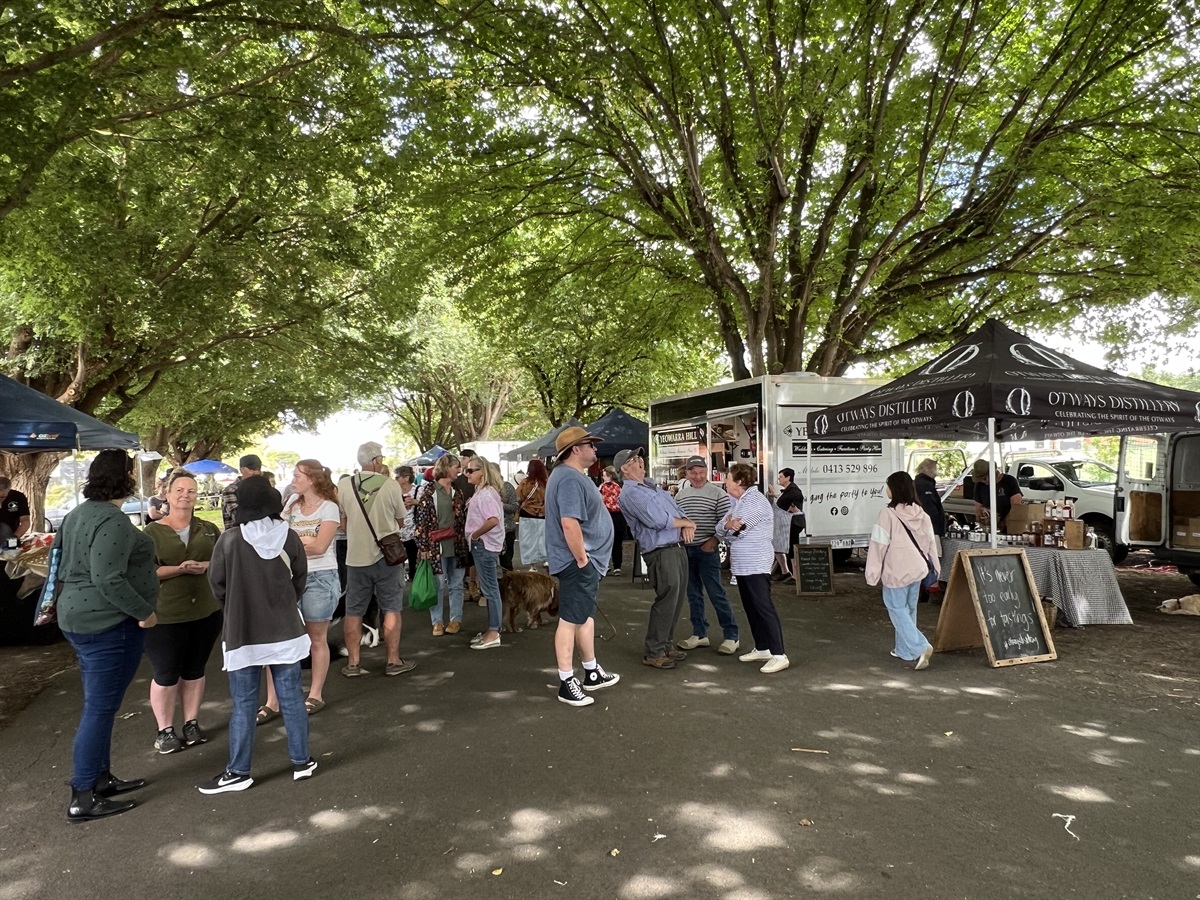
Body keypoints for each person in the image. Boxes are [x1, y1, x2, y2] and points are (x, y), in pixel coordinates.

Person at [55, 450, 159, 822]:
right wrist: (145, 612)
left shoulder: (77, 514)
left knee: (101, 704)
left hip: (79, 620)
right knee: (99, 708)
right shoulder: (111, 520)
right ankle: (83, 794)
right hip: (107, 624)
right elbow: (107, 577)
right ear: (126, 476)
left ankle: (100, 779)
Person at [201, 476, 316, 793]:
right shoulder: (289, 537)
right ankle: (302, 761)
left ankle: (239, 771)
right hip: (285, 630)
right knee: (292, 697)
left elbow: (217, 585)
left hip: (243, 632)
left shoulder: (230, 541)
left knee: (244, 704)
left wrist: (236, 606)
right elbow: (299, 580)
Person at [142, 470, 223, 754]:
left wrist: (207, 566)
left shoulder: (208, 528)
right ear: (167, 494)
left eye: (191, 490)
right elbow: (145, 572)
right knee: (166, 673)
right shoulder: (152, 532)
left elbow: (223, 562)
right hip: (166, 614)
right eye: (179, 490)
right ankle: (164, 730)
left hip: (205, 610)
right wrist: (180, 569)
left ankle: (191, 723)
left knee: (195, 670)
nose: (185, 495)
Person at [259, 459, 340, 720]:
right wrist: (303, 540)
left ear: (313, 479)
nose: (293, 479)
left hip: (320, 578)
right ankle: (273, 701)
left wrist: (295, 543)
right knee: (279, 638)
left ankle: (315, 695)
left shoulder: (329, 508)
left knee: (317, 638)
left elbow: (319, 547)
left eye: (297, 475)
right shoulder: (291, 504)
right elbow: (276, 538)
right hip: (291, 577)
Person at [544, 426, 617, 706]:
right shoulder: (570, 479)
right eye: (590, 445)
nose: (595, 450)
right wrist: (583, 558)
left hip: (582, 561)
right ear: (576, 449)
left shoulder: (569, 476)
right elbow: (569, 522)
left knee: (583, 615)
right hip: (578, 561)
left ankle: (591, 671)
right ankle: (566, 681)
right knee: (571, 619)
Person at [337, 442, 416, 678]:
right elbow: (401, 520)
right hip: (387, 557)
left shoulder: (344, 485)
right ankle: (393, 661)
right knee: (391, 607)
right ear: (377, 460)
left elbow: (343, 522)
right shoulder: (391, 485)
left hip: (356, 557)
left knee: (353, 611)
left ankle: (353, 663)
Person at [616, 446, 695, 670]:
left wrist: (686, 521)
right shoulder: (631, 493)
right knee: (667, 599)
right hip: (660, 551)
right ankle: (654, 651)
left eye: (640, 457)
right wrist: (686, 523)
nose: (640, 461)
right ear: (625, 468)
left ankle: (665, 645)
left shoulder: (651, 486)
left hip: (675, 547)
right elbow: (657, 520)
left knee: (677, 599)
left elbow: (676, 509)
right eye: (634, 458)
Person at [714, 463, 789, 673]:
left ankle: (779, 654)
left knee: (763, 607)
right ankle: (762, 647)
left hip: (756, 561)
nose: (725, 481)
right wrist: (728, 526)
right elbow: (721, 527)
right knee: (750, 606)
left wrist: (729, 528)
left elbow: (739, 531)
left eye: (728, 478)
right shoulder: (738, 502)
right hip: (742, 564)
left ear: (739, 481)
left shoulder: (756, 501)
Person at [865, 471, 937, 671]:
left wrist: (872, 574)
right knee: (909, 609)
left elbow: (878, 546)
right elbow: (931, 543)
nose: (885, 489)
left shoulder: (887, 514)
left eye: (888, 485)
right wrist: (936, 568)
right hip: (918, 568)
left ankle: (920, 646)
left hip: (896, 570)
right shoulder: (921, 513)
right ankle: (904, 650)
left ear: (894, 489)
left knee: (897, 609)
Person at [674, 456, 740, 655]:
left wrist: (713, 542)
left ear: (707, 472)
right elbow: (678, 520)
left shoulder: (718, 494)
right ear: (687, 474)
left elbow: (725, 523)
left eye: (701, 471)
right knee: (693, 594)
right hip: (686, 550)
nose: (698, 476)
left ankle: (731, 635)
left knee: (715, 592)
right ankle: (699, 633)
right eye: (693, 472)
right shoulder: (681, 495)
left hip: (706, 550)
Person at [413, 453, 468, 636]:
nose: (459, 470)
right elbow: (420, 522)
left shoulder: (456, 491)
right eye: (456, 467)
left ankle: (455, 619)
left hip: (457, 544)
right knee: (437, 585)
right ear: (446, 468)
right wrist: (423, 547)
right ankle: (437, 622)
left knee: (457, 584)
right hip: (435, 546)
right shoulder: (428, 492)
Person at [464, 455, 505, 649]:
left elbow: (493, 519)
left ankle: (494, 631)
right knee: (489, 589)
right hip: (484, 545)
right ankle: (493, 629)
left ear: (482, 472)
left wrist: (475, 535)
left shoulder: (486, 494)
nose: (467, 474)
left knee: (490, 590)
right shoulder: (484, 492)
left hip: (484, 545)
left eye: (471, 470)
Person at [914, 458, 947, 602]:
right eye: (936, 469)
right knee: (933, 558)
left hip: (920, 529)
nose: (937, 473)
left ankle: (923, 588)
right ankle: (930, 589)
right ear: (930, 470)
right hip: (930, 530)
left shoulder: (917, 483)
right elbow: (929, 509)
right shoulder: (925, 485)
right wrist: (940, 525)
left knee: (923, 559)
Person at [971, 459, 1023, 532]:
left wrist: (1003, 523)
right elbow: (978, 508)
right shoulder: (979, 485)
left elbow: (1016, 506)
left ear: (992, 473)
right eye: (980, 480)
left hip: (1010, 527)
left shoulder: (1009, 481)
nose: (983, 481)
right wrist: (982, 518)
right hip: (989, 529)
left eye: (985, 478)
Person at [775, 467, 806, 583]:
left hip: (793, 524)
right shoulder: (788, 491)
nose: (779, 479)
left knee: (792, 548)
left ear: (788, 478)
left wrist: (791, 510)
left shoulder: (794, 491)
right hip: (785, 524)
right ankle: (785, 572)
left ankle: (795, 576)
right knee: (778, 546)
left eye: (781, 477)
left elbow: (793, 508)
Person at [516, 458, 549, 568]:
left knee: (528, 539)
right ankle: (546, 559)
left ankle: (532, 565)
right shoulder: (547, 482)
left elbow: (519, 497)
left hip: (527, 513)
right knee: (544, 538)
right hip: (543, 513)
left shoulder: (525, 483)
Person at [221, 454, 264, 530]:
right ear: (242, 470)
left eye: (258, 469)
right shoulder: (231, 490)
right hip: (237, 537)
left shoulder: (263, 488)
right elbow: (238, 516)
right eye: (252, 469)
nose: (256, 472)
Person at [599, 466, 625, 576]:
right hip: (617, 516)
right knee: (615, 542)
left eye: (604, 475)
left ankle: (608, 565)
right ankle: (616, 566)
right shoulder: (620, 486)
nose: (603, 477)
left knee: (608, 541)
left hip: (609, 515)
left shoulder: (602, 487)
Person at [395, 466, 420, 582]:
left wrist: (415, 502)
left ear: (406, 478)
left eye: (397, 477)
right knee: (397, 557)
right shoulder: (394, 491)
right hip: (397, 529)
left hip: (413, 529)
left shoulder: (418, 490)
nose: (395, 479)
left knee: (412, 555)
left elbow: (427, 505)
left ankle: (413, 576)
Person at [498, 465, 519, 571]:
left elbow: (514, 506)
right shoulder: (484, 488)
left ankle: (509, 582)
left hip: (507, 529)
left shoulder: (507, 487)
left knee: (506, 560)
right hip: (490, 531)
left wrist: (500, 505)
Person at [0, 475, 31, 540]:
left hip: (11, 535)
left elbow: (25, 521)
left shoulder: (18, 497)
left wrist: (15, 537)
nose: (3, 494)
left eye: (6, 492)